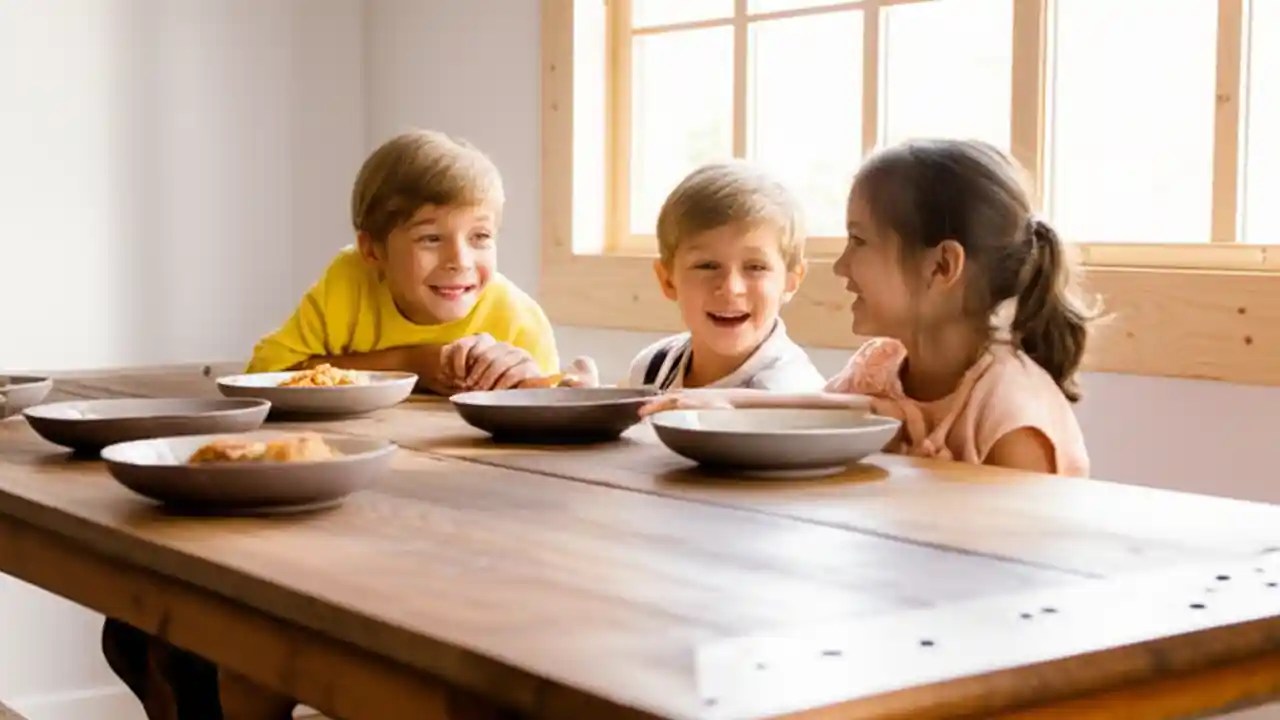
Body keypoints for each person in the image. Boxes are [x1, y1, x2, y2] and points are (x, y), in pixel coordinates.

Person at [643, 139, 1095, 477]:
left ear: (941, 266)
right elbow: (808, 414)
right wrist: (718, 400)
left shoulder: (1009, 410)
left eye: (858, 240)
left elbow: (1024, 576)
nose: (840, 265)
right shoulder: (880, 368)